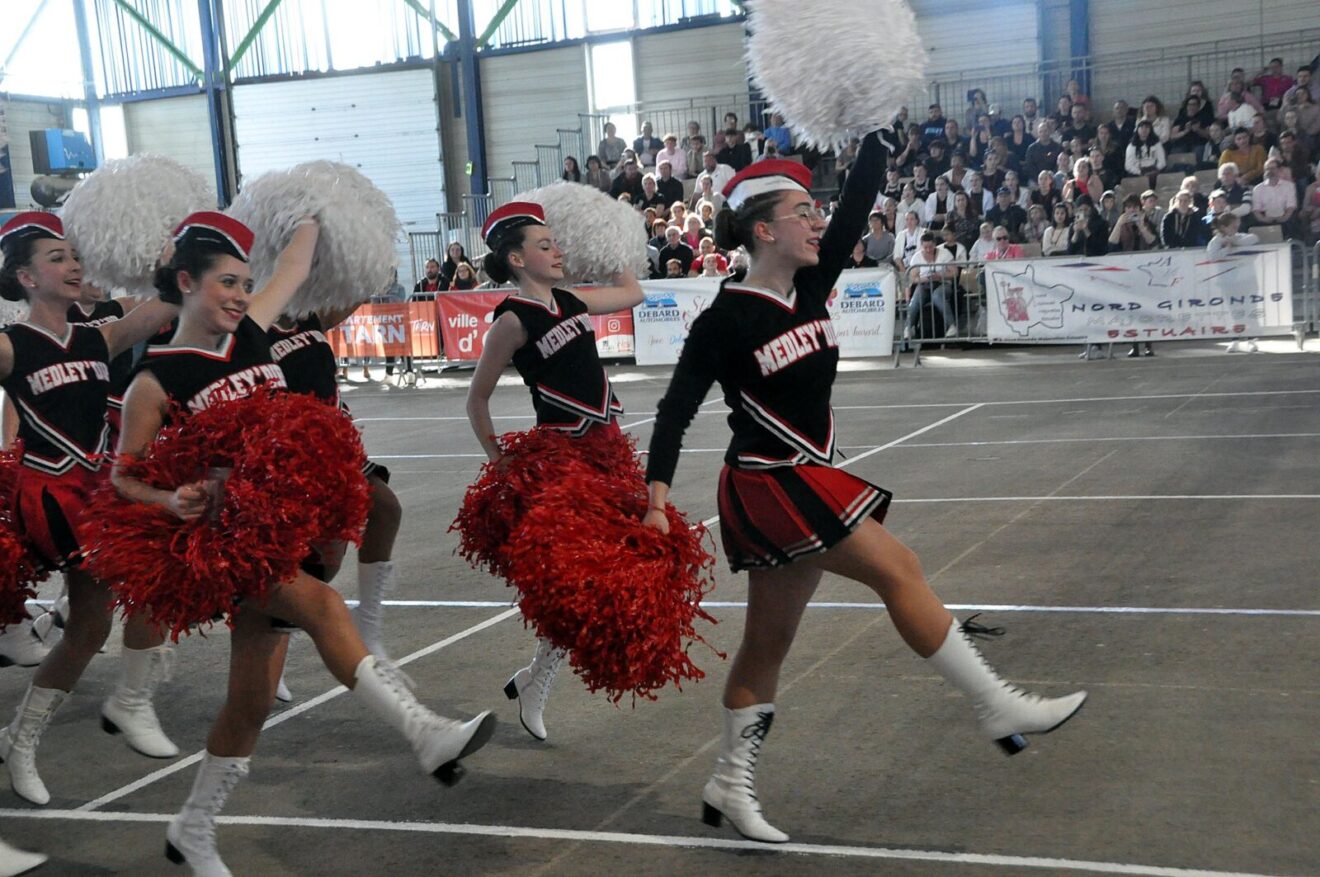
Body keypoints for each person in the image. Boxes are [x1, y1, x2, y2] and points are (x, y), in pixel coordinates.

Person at [641, 141, 1085, 844]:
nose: (817, 222)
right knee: (898, 567)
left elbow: (855, 203)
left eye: (815, 211)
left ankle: (727, 781)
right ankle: (994, 704)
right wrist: (656, 500)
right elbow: (674, 412)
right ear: (764, 230)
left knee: (767, 644)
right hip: (768, 482)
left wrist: (871, 128)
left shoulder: (812, 285)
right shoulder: (724, 319)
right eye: (802, 212)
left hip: (806, 473)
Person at [112, 213, 495, 872]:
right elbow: (123, 477)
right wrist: (169, 500)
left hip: (284, 528)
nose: (241, 295)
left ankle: (192, 827)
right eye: (227, 282)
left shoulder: (252, 330)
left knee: (250, 702)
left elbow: (293, 264)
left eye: (246, 284)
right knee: (322, 605)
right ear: (186, 282)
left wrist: (318, 208)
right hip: (226, 540)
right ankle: (424, 732)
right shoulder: (155, 379)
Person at [0, 213, 186, 807]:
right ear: (26, 277)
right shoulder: (10, 344)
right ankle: (123, 704)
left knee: (90, 625)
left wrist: (175, 242)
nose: (73, 264)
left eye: (75, 255)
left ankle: (21, 738)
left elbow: (171, 300)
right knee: (129, 593)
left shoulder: (96, 338)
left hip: (100, 493)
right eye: (57, 258)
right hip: (51, 496)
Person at [465, 202, 644, 741]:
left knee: (614, 570)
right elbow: (476, 400)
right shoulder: (512, 321)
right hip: (565, 461)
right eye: (545, 245)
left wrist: (609, 243)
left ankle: (535, 676)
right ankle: (538, 679)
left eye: (556, 242)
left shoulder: (571, 300)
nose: (558, 250)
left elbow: (633, 292)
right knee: (577, 579)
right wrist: (500, 463)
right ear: (517, 259)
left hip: (609, 451)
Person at [1125, 120, 1166, 188]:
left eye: (1147, 127)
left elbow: (1162, 161)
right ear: (1137, 130)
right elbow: (1128, 165)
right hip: (1138, 172)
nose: (1144, 130)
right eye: (1141, 127)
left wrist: (1155, 170)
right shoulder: (1132, 146)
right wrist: (1140, 172)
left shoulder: (1157, 144)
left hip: (1154, 170)